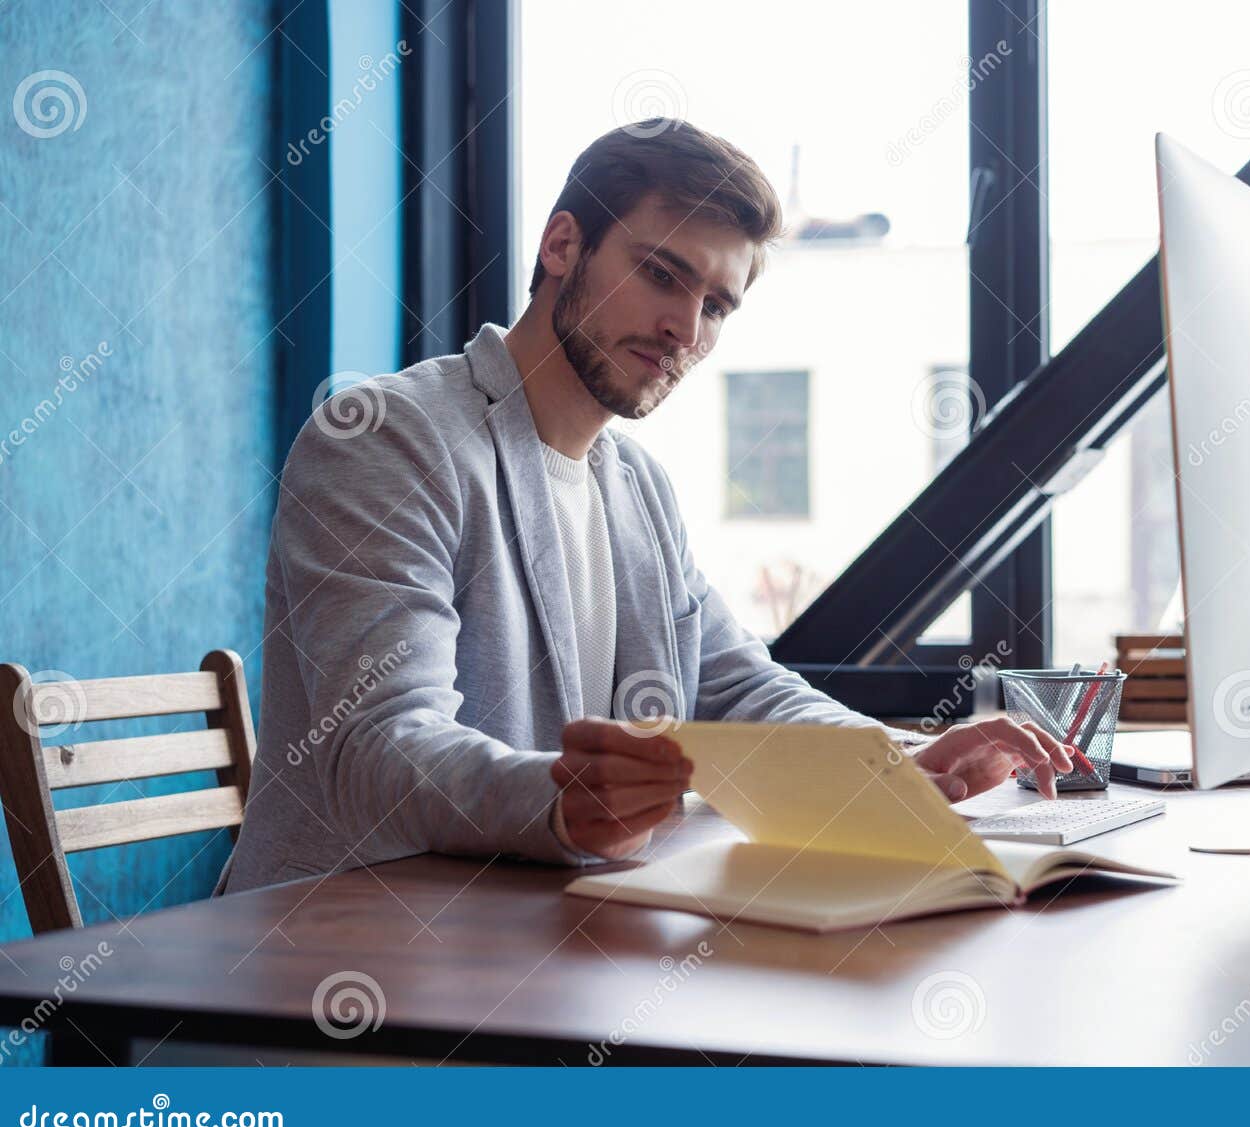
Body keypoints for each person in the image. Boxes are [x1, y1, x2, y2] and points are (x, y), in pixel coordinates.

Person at [220, 119, 1071, 892]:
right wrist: (561, 802)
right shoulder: (386, 439)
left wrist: (899, 763)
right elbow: (376, 745)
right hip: (333, 965)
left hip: (540, 938)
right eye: (662, 274)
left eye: (716, 307)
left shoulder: (636, 486)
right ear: (562, 245)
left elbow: (739, 686)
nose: (684, 330)